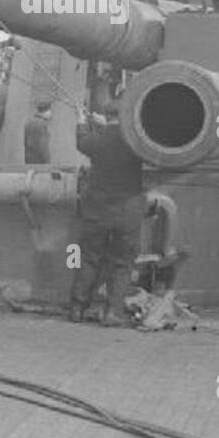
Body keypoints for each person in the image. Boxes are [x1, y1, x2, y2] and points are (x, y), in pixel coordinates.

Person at [69, 98, 144, 326]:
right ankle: (112, 312)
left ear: (106, 117)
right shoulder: (136, 142)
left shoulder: (98, 141)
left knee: (89, 258)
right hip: (127, 211)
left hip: (96, 209)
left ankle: (77, 308)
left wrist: (82, 121)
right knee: (122, 262)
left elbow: (82, 142)